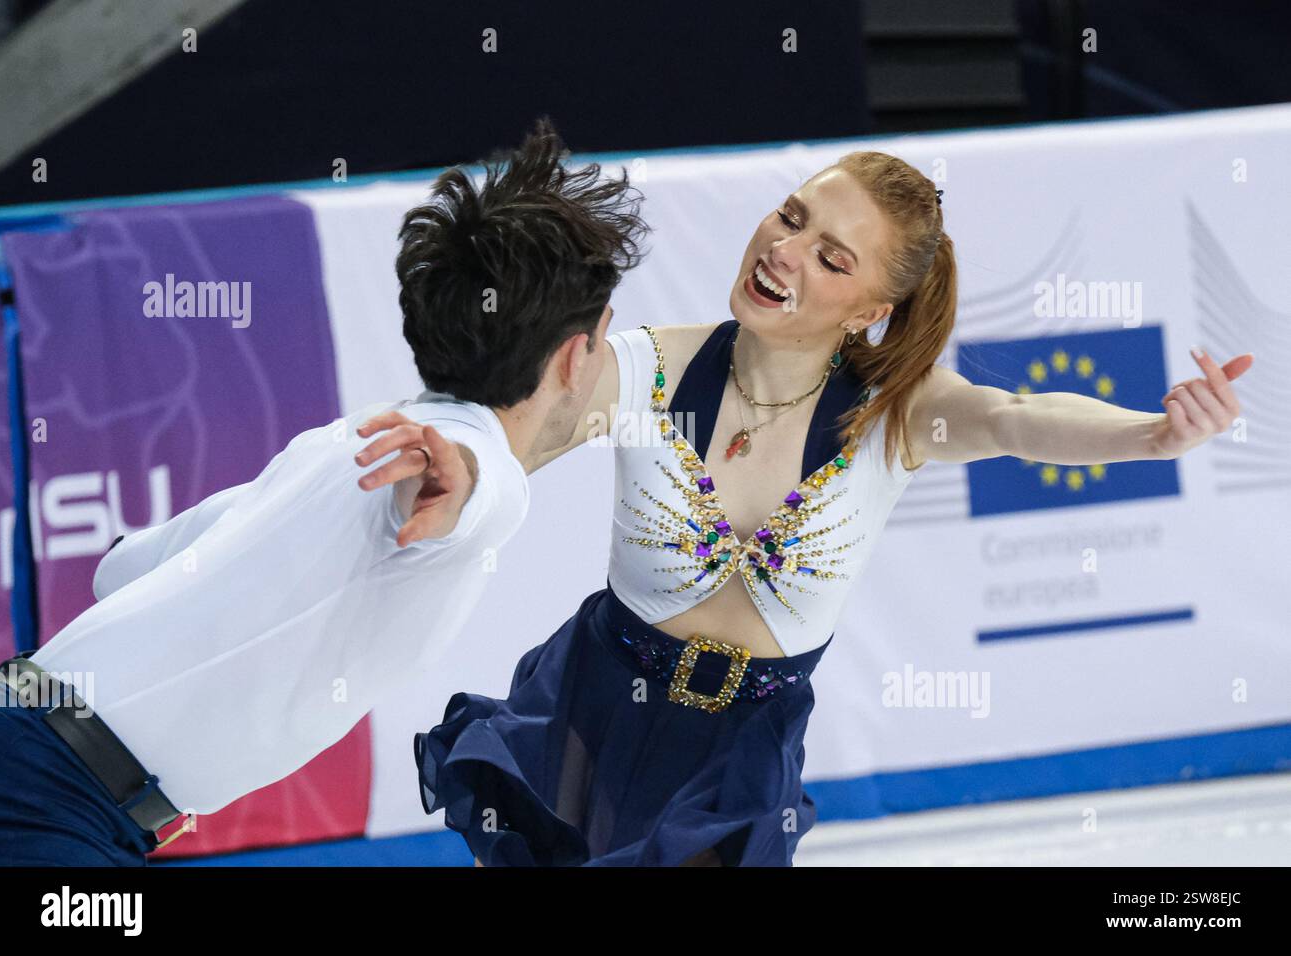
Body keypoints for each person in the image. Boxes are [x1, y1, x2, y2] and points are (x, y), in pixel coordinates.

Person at [415, 150, 1254, 866]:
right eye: (789, 217)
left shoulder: (894, 415)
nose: (783, 251)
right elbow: (523, 435)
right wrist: (462, 469)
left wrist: (1152, 435)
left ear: (871, 311)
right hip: (592, 709)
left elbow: (1018, 418)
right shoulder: (649, 372)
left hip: (742, 751)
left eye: (832, 257)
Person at [0, 117, 650, 866]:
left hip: (31, 752)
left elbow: (121, 571)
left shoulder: (333, 449)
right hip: (47, 806)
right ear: (576, 356)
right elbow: (471, 488)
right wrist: (455, 488)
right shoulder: (466, 471)